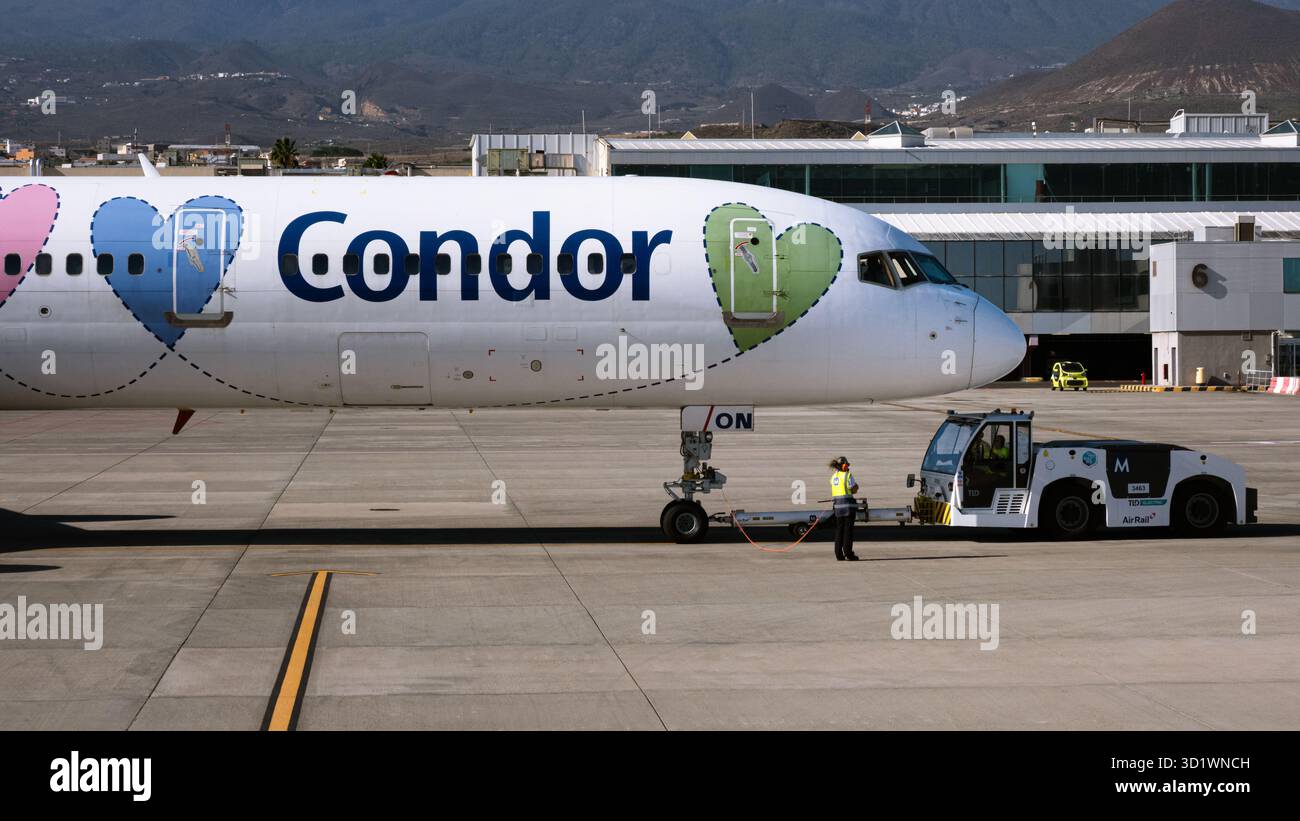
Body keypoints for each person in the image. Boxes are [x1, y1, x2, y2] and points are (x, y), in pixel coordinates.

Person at [828, 456, 860, 561]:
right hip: (848, 507)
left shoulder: (834, 477)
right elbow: (853, 489)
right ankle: (848, 553)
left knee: (839, 531)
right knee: (848, 532)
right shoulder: (847, 475)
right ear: (844, 465)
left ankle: (839, 554)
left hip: (837, 508)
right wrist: (856, 486)